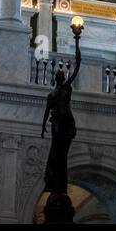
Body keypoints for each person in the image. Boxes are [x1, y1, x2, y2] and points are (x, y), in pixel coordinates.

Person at [40, 41, 82, 195]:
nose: (61, 77)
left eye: (62, 75)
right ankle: (54, 181)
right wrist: (43, 126)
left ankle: (57, 181)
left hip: (67, 123)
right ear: (55, 78)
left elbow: (76, 71)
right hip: (57, 123)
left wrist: (77, 48)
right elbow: (46, 111)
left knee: (61, 154)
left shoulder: (66, 88)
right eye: (59, 76)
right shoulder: (51, 95)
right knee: (57, 154)